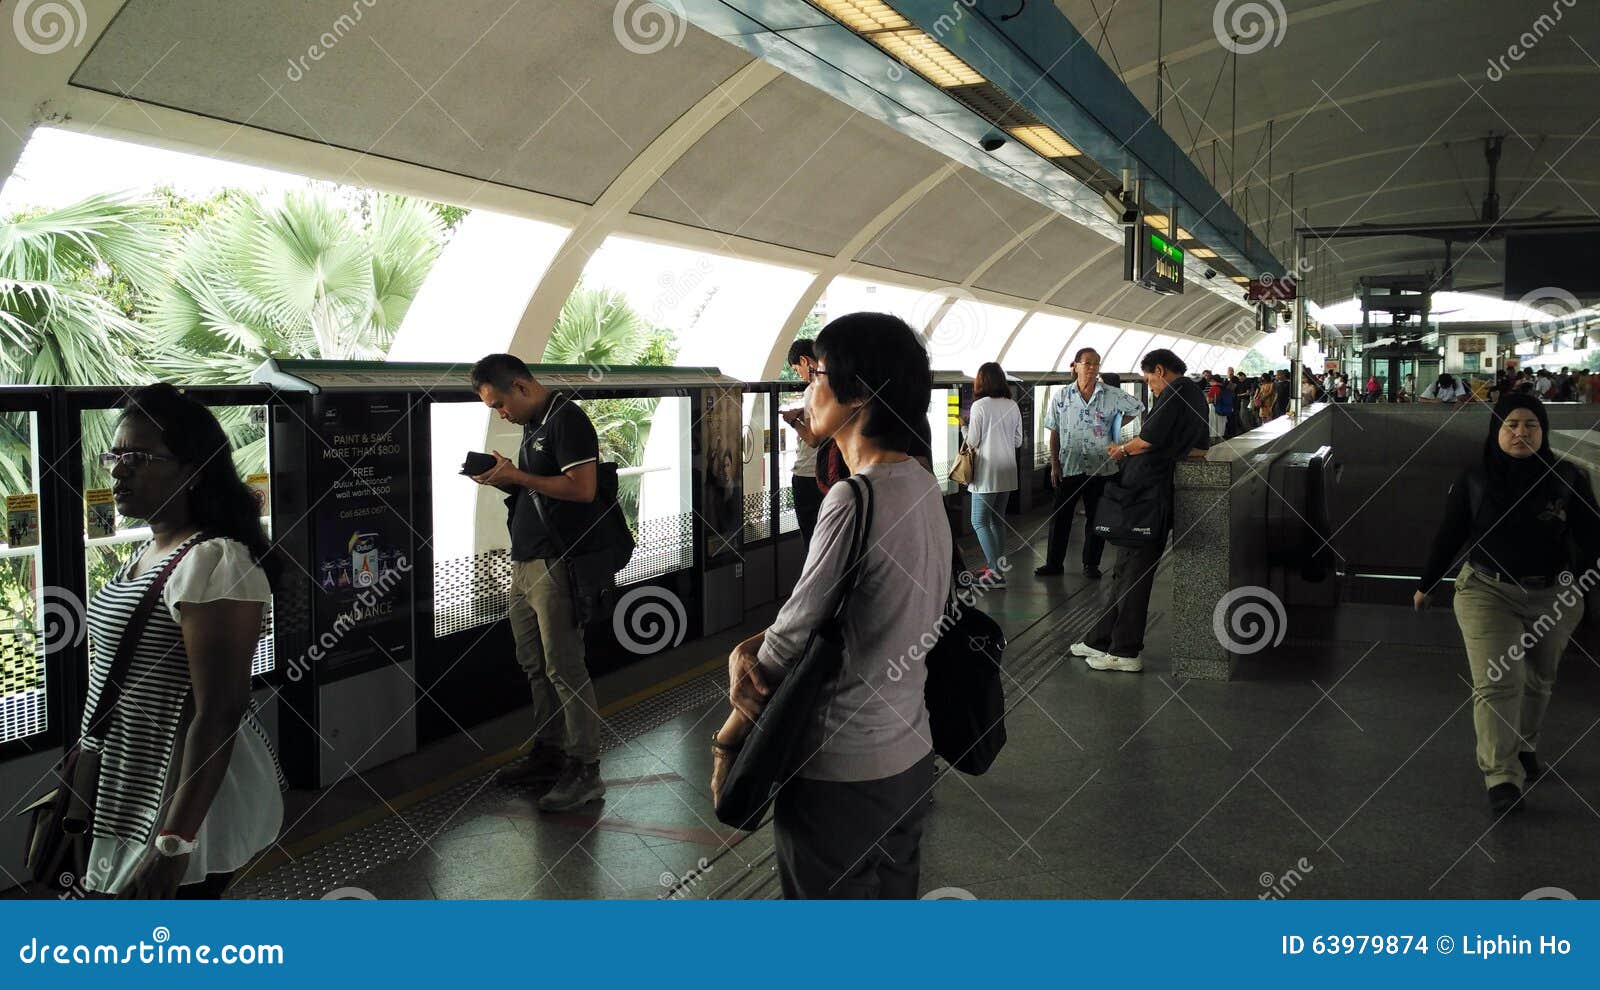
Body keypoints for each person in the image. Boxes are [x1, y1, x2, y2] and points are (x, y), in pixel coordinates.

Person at [712, 312, 951, 898]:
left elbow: (791, 638)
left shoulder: (855, 496)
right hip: (909, 754)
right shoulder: (921, 483)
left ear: (860, 393)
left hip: (839, 764)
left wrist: (728, 738)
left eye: (816, 374)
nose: (807, 390)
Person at [82, 384, 283, 898]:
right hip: (130, 781)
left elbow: (219, 710)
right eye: (117, 454)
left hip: (181, 802)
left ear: (194, 470)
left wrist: (174, 842)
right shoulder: (149, 552)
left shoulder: (214, 562)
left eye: (140, 457)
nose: (119, 469)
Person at [1415, 394, 1600, 817]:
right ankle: (1501, 775)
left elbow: (1592, 540)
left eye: (1530, 425)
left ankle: (1523, 745)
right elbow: (1450, 533)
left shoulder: (1568, 478)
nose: (1520, 433)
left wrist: (1584, 595)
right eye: (1510, 424)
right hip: (1486, 590)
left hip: (1554, 594)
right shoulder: (1475, 480)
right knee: (1500, 681)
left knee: (1539, 678)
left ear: (1544, 431)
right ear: (1496, 431)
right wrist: (1427, 584)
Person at [470, 353, 605, 812]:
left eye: (498, 404)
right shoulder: (534, 427)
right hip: (526, 561)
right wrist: (506, 479)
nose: (500, 413)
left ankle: (585, 768)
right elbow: (540, 488)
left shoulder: (567, 420)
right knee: (534, 662)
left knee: (564, 667)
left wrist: (517, 474)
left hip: (555, 564)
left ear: (522, 387)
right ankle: (551, 750)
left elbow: (582, 489)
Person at [1071, 348, 1210, 673]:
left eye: (1149, 380)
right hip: (1151, 496)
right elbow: (1198, 446)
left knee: (1133, 574)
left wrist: (1121, 449)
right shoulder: (1194, 393)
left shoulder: (1177, 391)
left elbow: (1147, 439)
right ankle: (1099, 639)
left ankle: (1125, 650)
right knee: (1125, 570)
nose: (1151, 387)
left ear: (1160, 370)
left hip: (1148, 498)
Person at [1035, 347, 1143, 579]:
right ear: (1074, 366)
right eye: (1088, 363)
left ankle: (1091, 564)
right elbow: (1054, 431)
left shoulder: (1111, 394)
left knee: (1097, 517)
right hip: (1070, 465)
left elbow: (1137, 407)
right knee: (1061, 516)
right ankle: (1054, 563)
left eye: (1097, 363)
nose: (1093, 368)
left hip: (1102, 467)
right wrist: (1054, 463)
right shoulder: (1062, 396)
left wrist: (1116, 424)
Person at [963, 361, 1023, 585]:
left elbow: (972, 441)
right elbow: (1018, 441)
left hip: (987, 473)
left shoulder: (980, 406)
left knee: (979, 521)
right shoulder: (1012, 405)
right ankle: (994, 568)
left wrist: (963, 427)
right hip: (1008, 472)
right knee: (997, 521)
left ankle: (996, 573)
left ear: (981, 381)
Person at [782, 339, 823, 546]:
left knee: (812, 542)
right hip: (829, 473)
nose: (799, 375)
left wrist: (793, 422)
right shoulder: (835, 386)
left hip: (808, 475)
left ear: (804, 360)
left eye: (797, 369)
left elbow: (813, 438)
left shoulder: (812, 390)